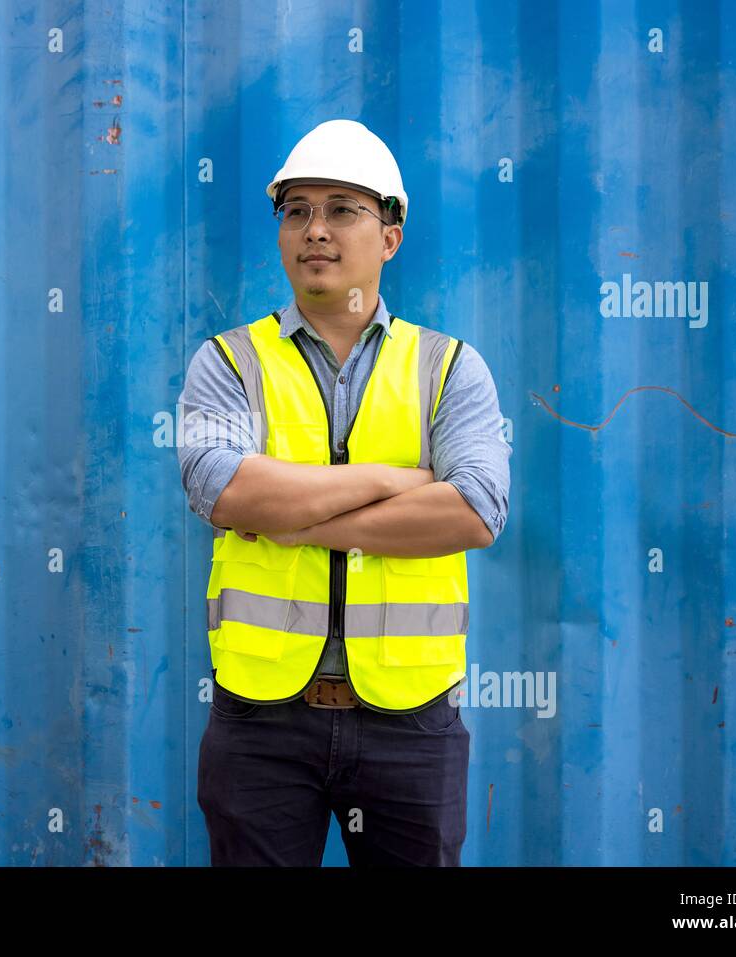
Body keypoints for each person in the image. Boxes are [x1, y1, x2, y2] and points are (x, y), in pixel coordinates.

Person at [177, 119, 511, 866]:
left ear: (390, 236)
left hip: (410, 722)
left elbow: (473, 508)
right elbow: (222, 489)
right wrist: (394, 482)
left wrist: (297, 512)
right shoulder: (228, 362)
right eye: (297, 210)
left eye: (342, 209)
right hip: (261, 723)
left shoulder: (449, 368)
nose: (315, 230)